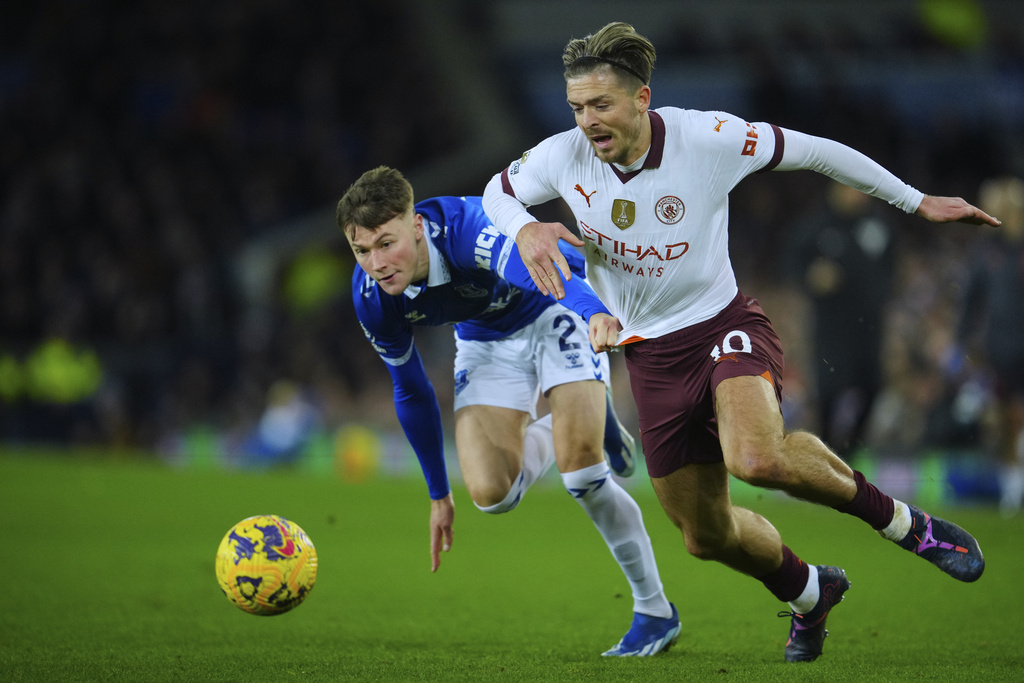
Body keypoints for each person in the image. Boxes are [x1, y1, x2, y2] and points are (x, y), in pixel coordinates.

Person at [481, 21, 993, 663]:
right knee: (706, 537)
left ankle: (905, 526)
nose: (587, 120)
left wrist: (915, 201)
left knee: (756, 459)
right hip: (650, 358)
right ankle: (810, 592)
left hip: (722, 327)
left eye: (601, 105)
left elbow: (816, 150)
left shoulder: (708, 137)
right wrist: (526, 229)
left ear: (642, 98)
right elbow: (497, 193)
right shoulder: (563, 155)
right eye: (578, 107)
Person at [337, 166, 680, 656]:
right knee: (492, 495)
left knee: (581, 473)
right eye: (361, 250)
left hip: (555, 301)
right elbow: (410, 390)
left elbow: (535, 270)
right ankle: (586, 414)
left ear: (416, 226)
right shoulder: (372, 298)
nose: (376, 263)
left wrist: (595, 314)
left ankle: (655, 611)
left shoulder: (467, 228)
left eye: (386, 243)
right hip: (484, 339)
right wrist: (438, 494)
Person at [784, 183, 895, 457]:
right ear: (834, 191)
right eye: (850, 188)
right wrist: (811, 275)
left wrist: (881, 295)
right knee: (830, 390)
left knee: (873, 386)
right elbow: (790, 261)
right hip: (831, 325)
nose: (857, 195)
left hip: (869, 325)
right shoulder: (817, 227)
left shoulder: (878, 227)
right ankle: (823, 445)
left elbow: (891, 266)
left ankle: (851, 448)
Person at [952, 176, 1024, 515]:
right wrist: (961, 342)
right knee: (1005, 420)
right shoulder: (987, 252)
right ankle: (1013, 488)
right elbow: (970, 301)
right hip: (1001, 350)